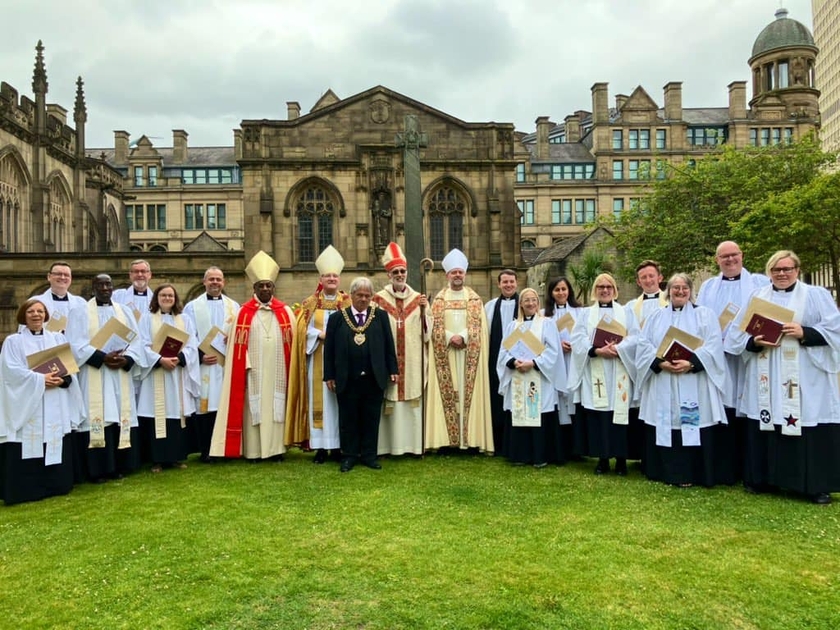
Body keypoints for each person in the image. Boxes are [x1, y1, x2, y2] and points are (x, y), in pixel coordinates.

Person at [725, 250, 840, 505]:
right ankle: (763, 479)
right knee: (767, 420)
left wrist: (804, 331)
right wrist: (753, 341)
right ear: (769, 273)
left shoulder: (815, 296)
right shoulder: (757, 297)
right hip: (766, 371)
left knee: (806, 420)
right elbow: (735, 335)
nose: (782, 274)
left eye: (787, 269)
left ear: (797, 270)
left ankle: (814, 485)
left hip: (804, 373)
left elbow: (835, 329)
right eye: (776, 270)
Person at [635, 273, 733, 487]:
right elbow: (644, 346)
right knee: (667, 423)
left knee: (693, 423)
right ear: (668, 291)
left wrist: (691, 363)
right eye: (675, 288)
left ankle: (695, 472)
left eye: (684, 288)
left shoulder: (705, 315)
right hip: (664, 380)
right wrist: (660, 363)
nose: (680, 292)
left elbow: (714, 345)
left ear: (691, 291)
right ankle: (665, 472)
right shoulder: (656, 317)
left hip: (694, 381)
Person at [696, 240, 769, 481]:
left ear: (742, 255)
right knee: (724, 405)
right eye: (724, 256)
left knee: (748, 406)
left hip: (750, 355)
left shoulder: (759, 283)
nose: (730, 260)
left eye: (733, 255)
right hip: (720, 358)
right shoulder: (708, 286)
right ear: (717, 260)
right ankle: (725, 467)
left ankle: (750, 465)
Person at [210, 251, 294, 461]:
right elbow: (234, 345)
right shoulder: (242, 313)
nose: (265, 288)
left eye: (268, 285)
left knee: (277, 406)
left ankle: (277, 450)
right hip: (252, 370)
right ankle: (254, 451)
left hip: (279, 370)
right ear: (254, 288)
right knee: (253, 407)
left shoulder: (286, 312)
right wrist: (244, 365)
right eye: (260, 285)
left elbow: (294, 342)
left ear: (273, 288)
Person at [0, 299, 84, 505]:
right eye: (31, 311)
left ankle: (56, 485)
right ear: (23, 315)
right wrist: (40, 380)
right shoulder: (13, 341)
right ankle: (28, 489)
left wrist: (60, 380)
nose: (36, 315)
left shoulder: (57, 339)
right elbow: (10, 373)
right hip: (30, 402)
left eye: (40, 311)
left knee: (54, 438)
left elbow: (69, 369)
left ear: (46, 316)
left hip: (55, 398)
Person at [66, 274, 145, 483]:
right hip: (95, 372)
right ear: (93, 288)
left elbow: (136, 340)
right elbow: (74, 343)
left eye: (108, 284)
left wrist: (127, 359)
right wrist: (102, 357)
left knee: (119, 415)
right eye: (99, 284)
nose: (104, 288)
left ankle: (120, 465)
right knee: (99, 416)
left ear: (113, 287)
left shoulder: (124, 311)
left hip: (119, 373)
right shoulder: (79, 311)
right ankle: (98, 469)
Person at [567, 273, 640, 475]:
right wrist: (597, 350)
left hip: (619, 367)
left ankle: (622, 460)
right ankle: (603, 459)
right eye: (600, 286)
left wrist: (619, 348)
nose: (605, 290)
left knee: (620, 416)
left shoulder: (626, 312)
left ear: (615, 290)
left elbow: (636, 337)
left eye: (609, 286)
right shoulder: (585, 314)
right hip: (596, 369)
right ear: (594, 290)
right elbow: (578, 339)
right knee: (599, 417)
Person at [324, 277, 398, 472]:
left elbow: (389, 345)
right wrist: (329, 375)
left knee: (371, 418)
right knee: (348, 418)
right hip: (346, 377)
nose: (363, 299)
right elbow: (329, 350)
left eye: (367, 296)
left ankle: (369, 455)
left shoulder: (380, 316)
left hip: (374, 376)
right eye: (360, 295)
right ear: (352, 295)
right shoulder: (337, 318)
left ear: (371, 297)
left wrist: (393, 369)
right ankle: (348, 456)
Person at [285, 245, 351, 463]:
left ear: (339, 279)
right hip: (317, 360)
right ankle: (321, 447)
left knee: (339, 402)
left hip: (341, 361)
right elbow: (301, 330)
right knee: (319, 401)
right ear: (321, 279)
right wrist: (319, 335)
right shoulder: (310, 303)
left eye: (335, 276)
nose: (331, 279)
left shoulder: (347, 303)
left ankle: (339, 447)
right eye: (327, 276)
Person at [425, 248, 494, 453]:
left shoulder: (474, 300)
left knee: (467, 395)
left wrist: (462, 337)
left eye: (460, 272)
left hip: (467, 355)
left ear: (465, 274)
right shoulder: (438, 300)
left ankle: (470, 441)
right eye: (453, 272)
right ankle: (445, 441)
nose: (457, 275)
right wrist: (448, 337)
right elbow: (433, 326)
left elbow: (480, 328)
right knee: (447, 394)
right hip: (444, 353)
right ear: (447, 275)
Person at [372, 242, 430, 456]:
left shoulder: (418, 299)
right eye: (395, 272)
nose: (399, 275)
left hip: (412, 359)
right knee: (390, 403)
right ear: (389, 275)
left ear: (407, 273)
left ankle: (413, 446)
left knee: (411, 402)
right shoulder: (378, 300)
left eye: (402, 271)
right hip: (389, 360)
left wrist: (425, 313)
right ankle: (388, 447)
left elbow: (427, 333)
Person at [497, 287, 565, 467]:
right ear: (521, 304)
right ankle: (520, 455)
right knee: (520, 412)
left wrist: (533, 363)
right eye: (526, 300)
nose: (530, 303)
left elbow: (553, 351)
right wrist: (514, 362)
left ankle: (539, 456)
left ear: (538, 303)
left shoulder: (547, 324)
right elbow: (503, 352)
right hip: (519, 375)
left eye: (533, 300)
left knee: (538, 413)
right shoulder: (513, 326)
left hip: (539, 375)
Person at [136, 284, 200, 472]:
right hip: (156, 372)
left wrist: (179, 358)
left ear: (175, 298)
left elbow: (191, 344)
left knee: (176, 415)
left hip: (177, 374)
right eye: (163, 295)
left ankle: (177, 457)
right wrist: (160, 359)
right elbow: (142, 344)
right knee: (157, 416)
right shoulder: (147, 319)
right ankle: (157, 459)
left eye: (170, 295)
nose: (167, 298)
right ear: (156, 298)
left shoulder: (184, 319)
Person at [183, 266, 240, 462]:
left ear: (224, 282)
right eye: (211, 279)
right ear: (204, 282)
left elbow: (241, 335)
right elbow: (187, 337)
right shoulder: (191, 307)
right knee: (206, 409)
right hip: (204, 366)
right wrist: (199, 356)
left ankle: (226, 448)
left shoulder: (234, 307)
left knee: (225, 407)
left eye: (218, 279)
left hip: (226, 365)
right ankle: (206, 450)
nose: (215, 282)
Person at [625, 260, 667, 463]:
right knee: (641, 408)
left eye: (652, 276)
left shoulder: (671, 303)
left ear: (660, 277)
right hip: (639, 365)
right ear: (638, 282)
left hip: (665, 365)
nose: (648, 280)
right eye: (644, 277)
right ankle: (642, 454)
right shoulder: (631, 307)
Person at [542, 276, 584, 459]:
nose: (561, 293)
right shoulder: (544, 315)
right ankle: (559, 446)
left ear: (569, 291)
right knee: (558, 401)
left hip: (574, 361)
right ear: (551, 293)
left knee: (574, 399)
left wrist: (576, 344)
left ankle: (576, 448)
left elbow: (585, 334)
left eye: (564, 289)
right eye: (557, 290)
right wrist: (558, 345)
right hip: (555, 365)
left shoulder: (580, 312)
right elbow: (539, 340)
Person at [485, 269, 519, 455]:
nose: (508, 285)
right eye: (504, 282)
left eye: (511, 282)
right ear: (499, 284)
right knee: (496, 402)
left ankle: (515, 443)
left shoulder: (526, 304)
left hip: (519, 363)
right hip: (495, 362)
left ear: (516, 283)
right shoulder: (489, 307)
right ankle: (497, 444)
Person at [28, 261, 86, 332]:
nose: (62, 277)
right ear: (49, 277)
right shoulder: (35, 302)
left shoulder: (81, 303)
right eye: (58, 274)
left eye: (66, 275)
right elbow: (25, 331)